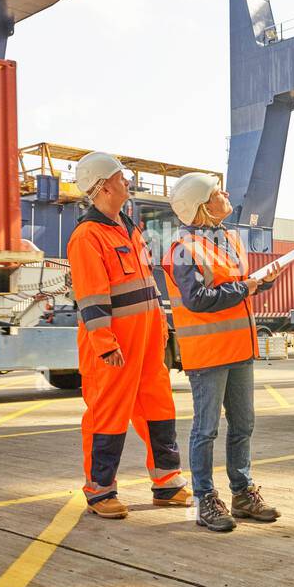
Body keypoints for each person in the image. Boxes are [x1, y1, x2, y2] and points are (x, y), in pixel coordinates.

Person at [66, 152, 191, 519]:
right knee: (108, 414)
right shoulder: (87, 237)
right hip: (114, 345)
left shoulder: (128, 228)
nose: (128, 182)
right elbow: (92, 297)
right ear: (104, 186)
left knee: (158, 409)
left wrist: (161, 330)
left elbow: (145, 288)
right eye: (122, 177)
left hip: (148, 343)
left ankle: (167, 483)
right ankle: (100, 490)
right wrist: (105, 344)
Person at [162, 173, 284, 532]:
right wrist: (245, 288)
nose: (226, 194)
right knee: (206, 429)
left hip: (239, 349)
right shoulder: (183, 250)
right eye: (217, 193)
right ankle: (205, 500)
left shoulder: (229, 239)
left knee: (243, 425)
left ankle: (243, 494)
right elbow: (199, 300)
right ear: (203, 207)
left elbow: (235, 286)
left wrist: (262, 280)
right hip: (208, 354)